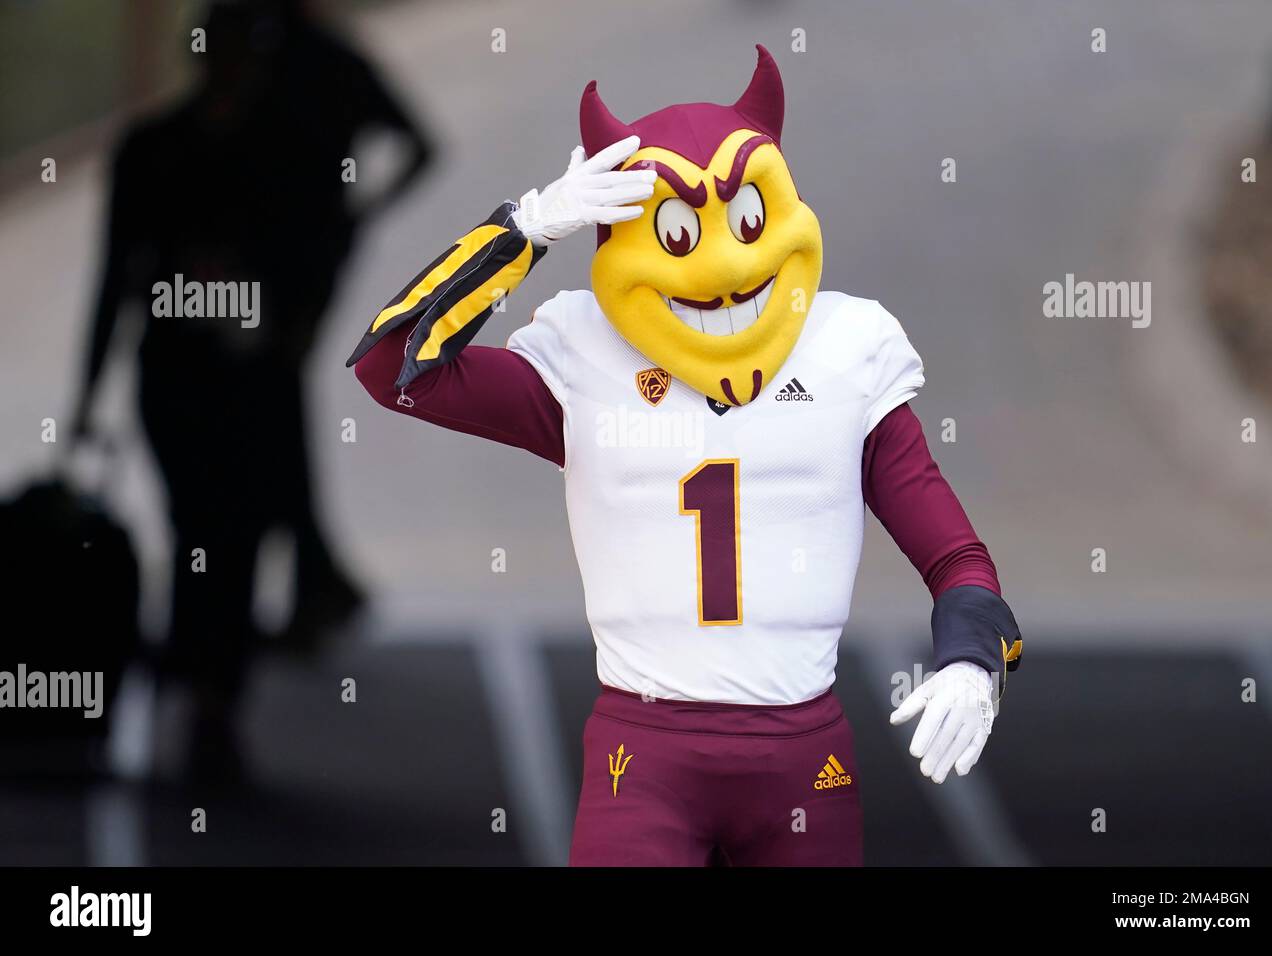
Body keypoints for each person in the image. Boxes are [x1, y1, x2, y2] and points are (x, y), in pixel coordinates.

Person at [350, 46, 1022, 864]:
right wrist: (524, 228)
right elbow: (392, 371)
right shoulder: (587, 351)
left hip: (805, 758)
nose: (723, 269)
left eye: (743, 223)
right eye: (677, 231)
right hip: (647, 756)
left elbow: (956, 558)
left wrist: (973, 659)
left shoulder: (847, 347)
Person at [74, 0, 433, 778]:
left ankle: (211, 692)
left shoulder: (259, 153)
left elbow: (295, 253)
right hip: (187, 376)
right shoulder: (178, 153)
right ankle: (209, 685)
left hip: (245, 371)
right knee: (207, 528)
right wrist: (87, 396)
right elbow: (118, 279)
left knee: (227, 534)